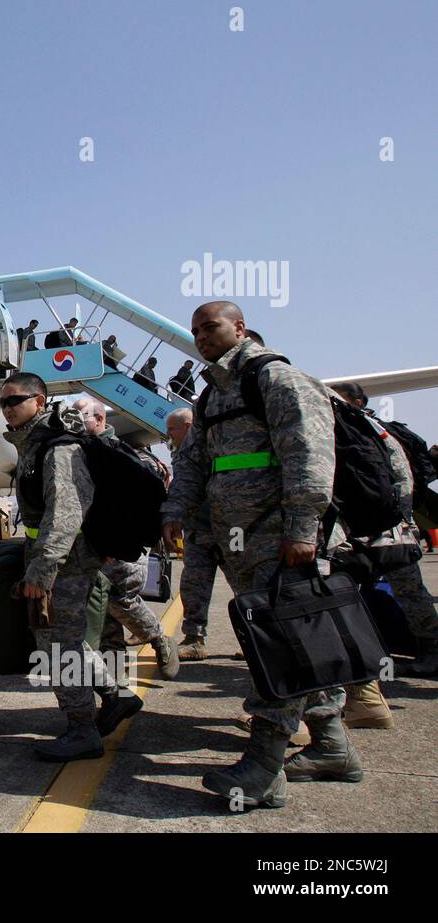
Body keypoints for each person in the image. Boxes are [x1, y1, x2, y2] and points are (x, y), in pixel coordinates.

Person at [163, 302, 354, 810]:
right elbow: (193, 460)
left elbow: (309, 457)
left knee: (282, 647)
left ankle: (263, 769)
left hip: (281, 539)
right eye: (196, 330)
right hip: (240, 540)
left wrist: (302, 529)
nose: (202, 336)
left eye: (212, 327)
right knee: (290, 642)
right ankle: (334, 747)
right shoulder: (211, 396)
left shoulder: (275, 379)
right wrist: (177, 507)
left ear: (240, 328)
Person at [1, 377, 135, 760]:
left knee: (58, 648)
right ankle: (114, 697)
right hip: (55, 558)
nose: (8, 407)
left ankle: (81, 730)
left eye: (16, 400)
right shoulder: (33, 444)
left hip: (65, 562)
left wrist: (42, 572)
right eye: (3, 401)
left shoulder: (57, 448)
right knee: (66, 642)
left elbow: (65, 515)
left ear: (39, 401)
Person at [328, 383, 438, 678]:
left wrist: (402, 521)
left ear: (359, 401)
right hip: (383, 527)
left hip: (379, 528)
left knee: (407, 590)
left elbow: (403, 477)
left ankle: (430, 650)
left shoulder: (367, 430)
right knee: (402, 589)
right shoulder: (375, 430)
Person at [72, 398, 179, 679]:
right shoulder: (76, 453)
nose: (76, 421)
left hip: (120, 545)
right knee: (101, 606)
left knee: (120, 599)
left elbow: (139, 506)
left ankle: (158, 639)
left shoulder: (124, 456)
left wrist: (114, 544)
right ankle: (112, 674)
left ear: (100, 420)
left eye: (81, 416)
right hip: (90, 545)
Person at [165, 408, 220, 661]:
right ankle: (195, 639)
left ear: (188, 425)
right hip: (199, 529)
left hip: (231, 528)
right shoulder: (183, 454)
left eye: (172, 429)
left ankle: (255, 635)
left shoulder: (217, 443)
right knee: (193, 584)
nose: (168, 435)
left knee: (246, 585)